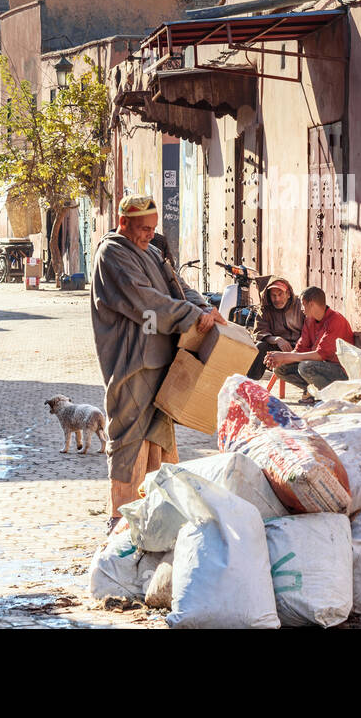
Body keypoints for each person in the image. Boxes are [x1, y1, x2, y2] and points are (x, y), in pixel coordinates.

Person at [91, 193, 225, 532]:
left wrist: (205, 309)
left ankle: (154, 512)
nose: (149, 235)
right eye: (142, 228)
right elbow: (145, 301)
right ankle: (120, 517)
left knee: (158, 437)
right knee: (129, 438)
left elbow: (178, 288)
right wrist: (190, 316)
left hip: (161, 358)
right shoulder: (112, 254)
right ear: (123, 223)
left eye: (152, 228)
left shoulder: (151, 252)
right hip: (132, 361)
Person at [264, 286, 354, 396]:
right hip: (320, 365)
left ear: (311, 304)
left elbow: (320, 355)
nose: (301, 309)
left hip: (340, 371)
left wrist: (285, 356)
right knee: (280, 369)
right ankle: (313, 392)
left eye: (303, 304)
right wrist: (278, 358)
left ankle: (330, 394)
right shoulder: (309, 320)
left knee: (306, 367)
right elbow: (300, 349)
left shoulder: (336, 320)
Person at [248, 277, 304, 379]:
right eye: (273, 295)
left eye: (280, 294)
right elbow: (259, 332)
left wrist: (298, 347)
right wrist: (276, 339)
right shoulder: (265, 309)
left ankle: (308, 389)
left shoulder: (300, 305)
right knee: (261, 347)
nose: (277, 299)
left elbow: (312, 328)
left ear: (288, 294)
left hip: (302, 349)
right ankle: (250, 384)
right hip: (278, 350)